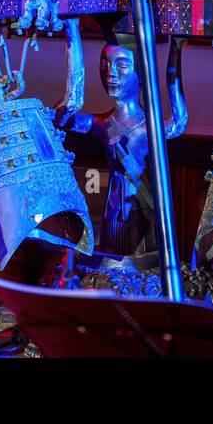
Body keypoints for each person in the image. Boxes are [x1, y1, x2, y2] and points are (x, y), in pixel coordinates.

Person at [55, 21, 186, 256]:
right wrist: (73, 34)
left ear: (142, 74)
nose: (110, 73)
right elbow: (65, 116)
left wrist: (176, 50)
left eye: (122, 65)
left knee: (143, 265)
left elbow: (178, 122)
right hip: (112, 210)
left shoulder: (148, 126)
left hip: (143, 210)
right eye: (105, 64)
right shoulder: (101, 124)